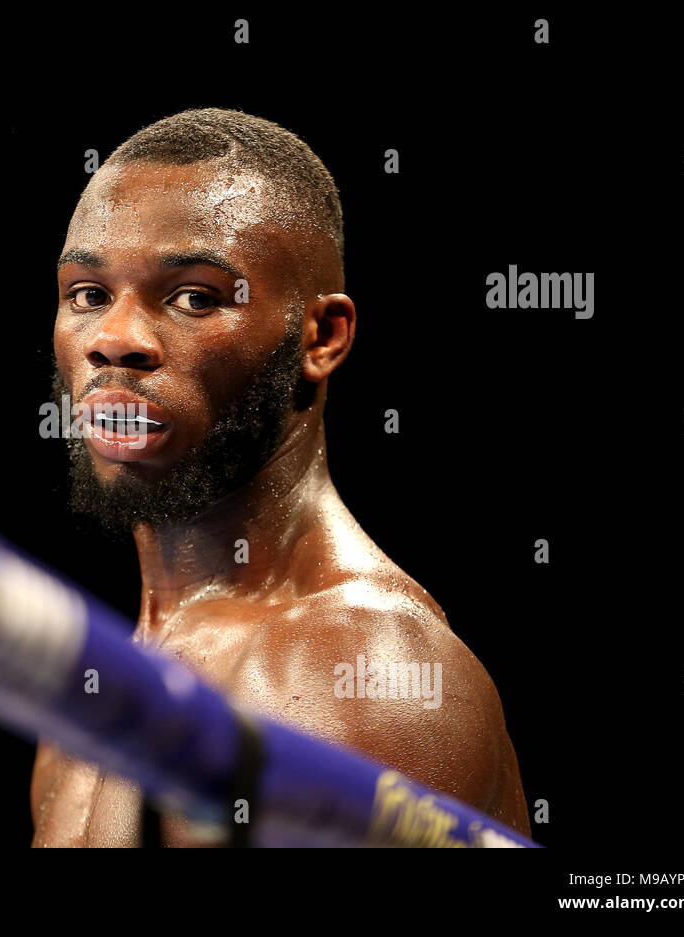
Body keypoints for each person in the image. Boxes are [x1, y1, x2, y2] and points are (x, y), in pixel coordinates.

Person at [32, 108, 529, 846]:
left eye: (194, 297)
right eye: (88, 294)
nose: (114, 340)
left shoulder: (361, 673)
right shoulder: (105, 676)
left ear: (320, 336)